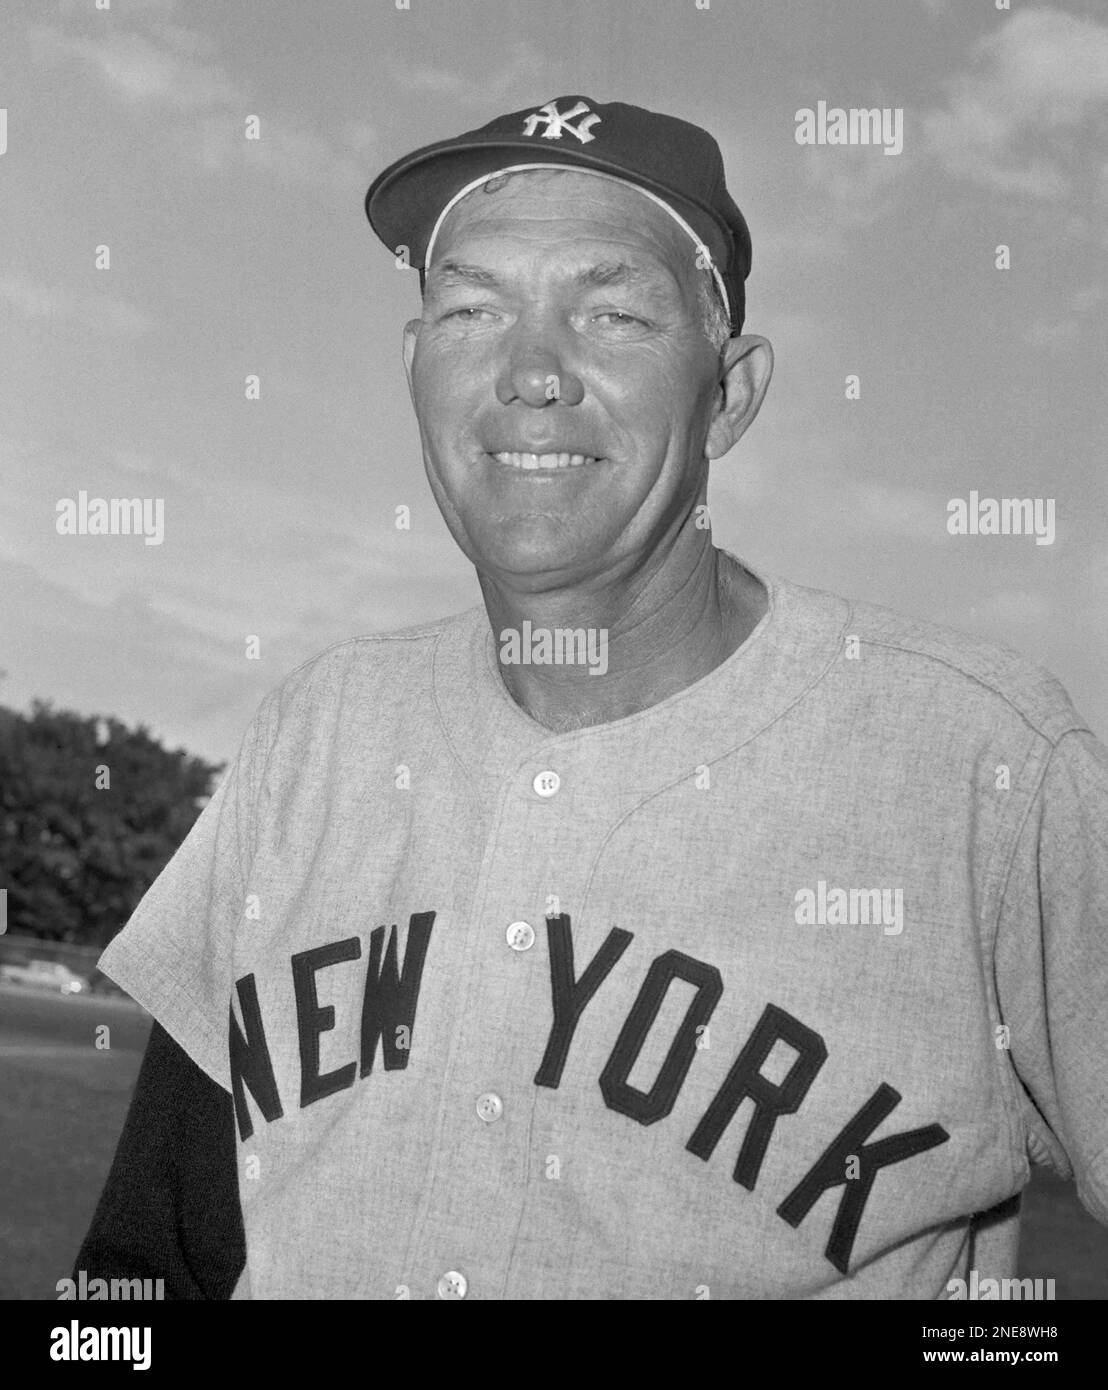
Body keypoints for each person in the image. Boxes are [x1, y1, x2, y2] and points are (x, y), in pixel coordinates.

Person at [77, 96, 1108, 1300]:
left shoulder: (986, 764)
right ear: (415, 369)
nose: (528, 373)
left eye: (611, 311)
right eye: (469, 308)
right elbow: (143, 1275)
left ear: (729, 392)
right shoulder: (319, 729)